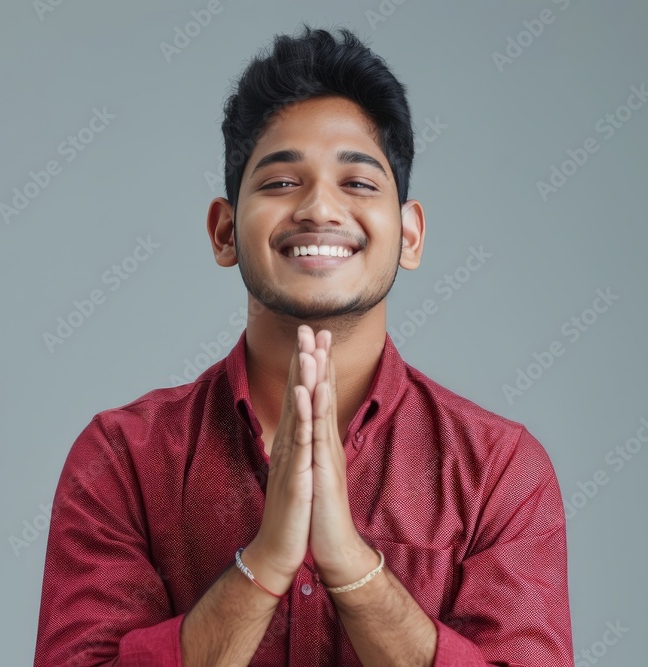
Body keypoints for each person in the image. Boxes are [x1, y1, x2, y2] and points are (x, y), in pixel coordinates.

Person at [33, 24, 573, 667]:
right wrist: (264, 564)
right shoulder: (123, 459)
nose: (319, 207)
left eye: (358, 183)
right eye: (282, 182)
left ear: (410, 235)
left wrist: (351, 566)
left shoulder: (499, 471)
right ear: (224, 231)